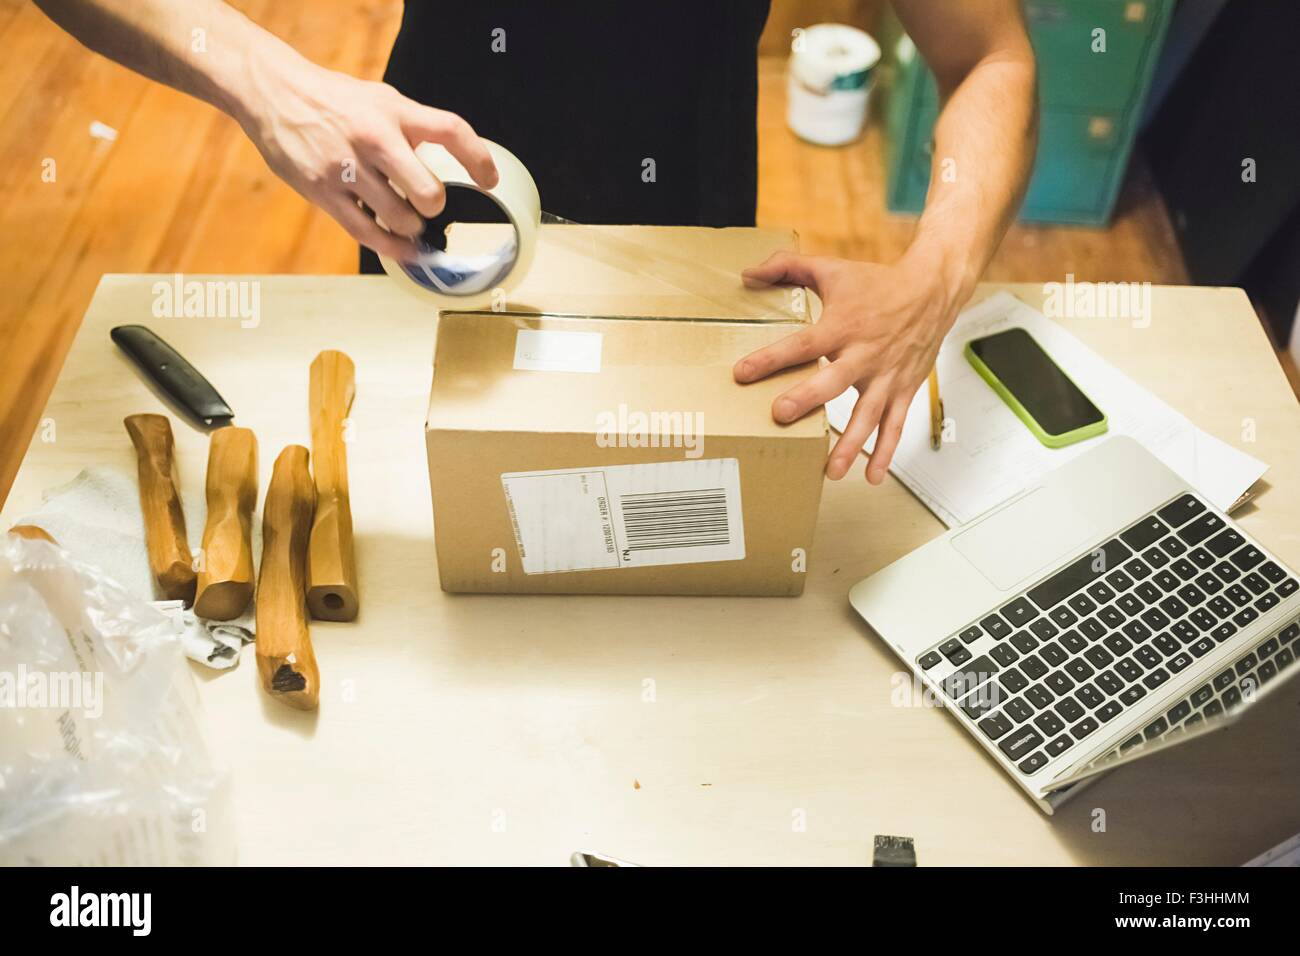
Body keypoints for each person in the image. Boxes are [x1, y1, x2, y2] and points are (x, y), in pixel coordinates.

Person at [34, 0, 1037, 483]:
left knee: (652, 531)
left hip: (685, 236)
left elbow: (991, 56)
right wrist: (269, 84)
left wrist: (932, 277)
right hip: (435, 219)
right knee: (423, 541)